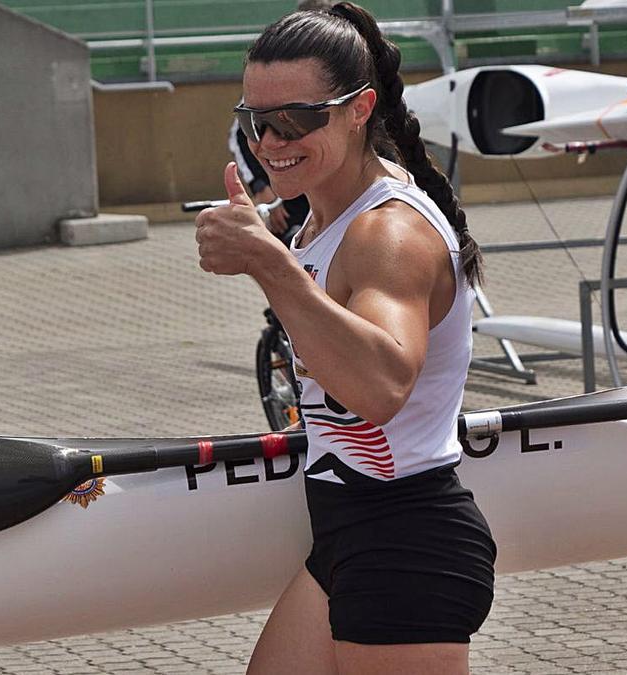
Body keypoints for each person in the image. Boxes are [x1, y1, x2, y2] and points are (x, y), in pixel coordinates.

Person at [195, 3, 495, 674]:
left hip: (406, 543)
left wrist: (269, 265)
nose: (272, 142)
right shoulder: (319, 209)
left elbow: (383, 385)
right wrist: (276, 249)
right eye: (256, 121)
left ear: (360, 109)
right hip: (349, 532)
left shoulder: (386, 233)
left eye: (297, 119)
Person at [229, 0, 333, 243]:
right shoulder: (274, 79)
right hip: (291, 211)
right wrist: (263, 188)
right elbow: (241, 136)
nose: (272, 141)